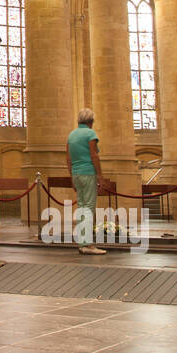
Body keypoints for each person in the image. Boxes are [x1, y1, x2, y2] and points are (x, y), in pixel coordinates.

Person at [66, 108, 106, 254]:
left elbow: (68, 158)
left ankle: (82, 243)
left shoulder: (71, 135)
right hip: (88, 173)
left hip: (76, 173)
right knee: (88, 208)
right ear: (91, 122)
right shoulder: (90, 134)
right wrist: (100, 176)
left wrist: (71, 177)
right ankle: (88, 245)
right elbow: (94, 155)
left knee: (81, 207)